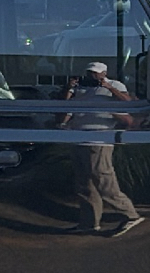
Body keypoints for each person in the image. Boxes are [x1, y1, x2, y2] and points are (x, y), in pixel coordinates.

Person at [58, 61, 142, 236]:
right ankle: (89, 221)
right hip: (78, 137)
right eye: (90, 73)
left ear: (104, 73)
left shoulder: (115, 85)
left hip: (100, 138)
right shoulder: (81, 89)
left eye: (96, 73)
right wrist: (69, 89)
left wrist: (108, 87)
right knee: (84, 184)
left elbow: (127, 103)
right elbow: (65, 109)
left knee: (103, 179)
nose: (93, 76)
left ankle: (129, 214)